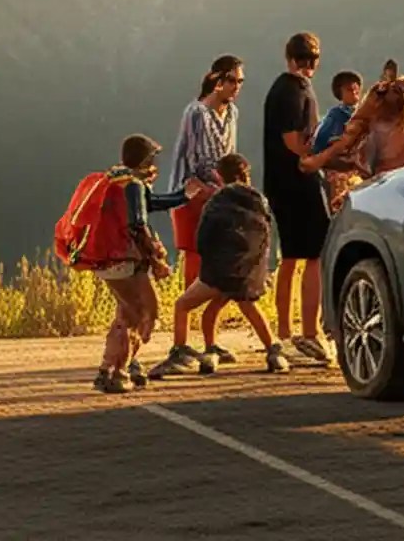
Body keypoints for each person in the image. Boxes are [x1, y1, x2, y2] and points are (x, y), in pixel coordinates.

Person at [53, 134, 205, 393]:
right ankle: (120, 371)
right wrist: (155, 258)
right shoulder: (134, 184)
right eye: (152, 158)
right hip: (124, 259)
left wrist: (184, 196)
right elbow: (138, 223)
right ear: (145, 160)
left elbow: (149, 203)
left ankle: (107, 369)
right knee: (141, 313)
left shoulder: (117, 179)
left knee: (125, 314)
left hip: (105, 259)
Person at [147, 153, 291, 378]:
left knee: (182, 305)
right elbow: (264, 237)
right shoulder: (259, 201)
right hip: (247, 272)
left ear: (218, 175)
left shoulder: (219, 202)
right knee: (240, 306)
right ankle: (272, 350)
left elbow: (204, 237)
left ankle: (180, 353)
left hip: (220, 271)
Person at [166, 54, 242, 365]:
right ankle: (182, 343)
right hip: (191, 195)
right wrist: (214, 188)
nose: (237, 87)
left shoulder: (232, 113)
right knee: (194, 262)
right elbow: (195, 161)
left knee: (219, 262)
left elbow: (229, 155)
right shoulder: (196, 112)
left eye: (240, 81)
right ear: (217, 80)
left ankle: (210, 341)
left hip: (217, 195)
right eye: (232, 80)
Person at [262, 31, 332, 363]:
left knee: (291, 257)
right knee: (315, 254)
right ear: (291, 60)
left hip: (282, 182)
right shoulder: (292, 89)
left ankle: (287, 333)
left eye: (312, 60)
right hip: (297, 181)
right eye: (304, 60)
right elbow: (292, 140)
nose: (308, 66)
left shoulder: (291, 87)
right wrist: (324, 152)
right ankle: (309, 332)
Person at [301, 73, 404, 181]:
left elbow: (393, 167)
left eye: (396, 92)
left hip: (395, 186)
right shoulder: (377, 121)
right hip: (374, 182)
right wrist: (368, 105)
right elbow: (350, 140)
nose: (390, 95)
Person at [312, 70, 369, 215]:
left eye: (356, 87)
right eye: (348, 89)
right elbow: (319, 142)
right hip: (341, 173)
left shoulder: (366, 113)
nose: (354, 91)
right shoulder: (335, 116)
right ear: (340, 93)